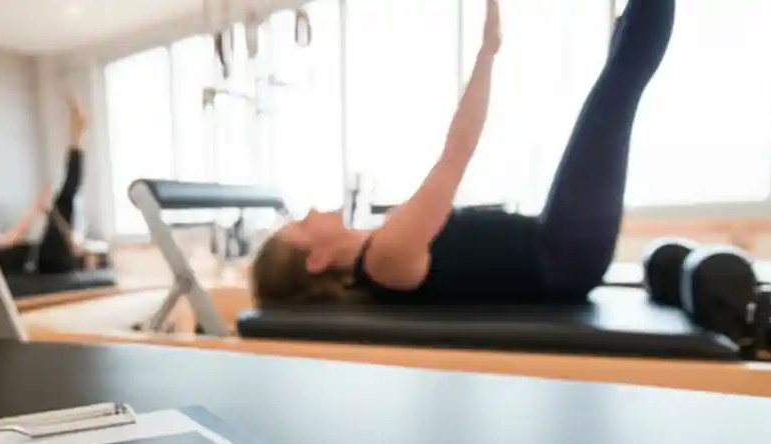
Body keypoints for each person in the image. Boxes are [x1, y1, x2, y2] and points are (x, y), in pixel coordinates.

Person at [251, 0, 675, 306]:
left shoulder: (382, 247)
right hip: (563, 253)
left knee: (618, 80)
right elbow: (456, 155)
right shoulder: (384, 259)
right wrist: (487, 51)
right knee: (619, 86)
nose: (307, 211)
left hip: (557, 242)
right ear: (317, 260)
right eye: (301, 226)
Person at [0, 97, 88, 275]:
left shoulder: (0, 244)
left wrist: (42, 209)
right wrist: (40, 209)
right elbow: (14, 236)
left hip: (46, 258)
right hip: (50, 262)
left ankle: (78, 136)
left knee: (66, 198)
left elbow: (16, 235)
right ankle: (78, 136)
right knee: (66, 197)